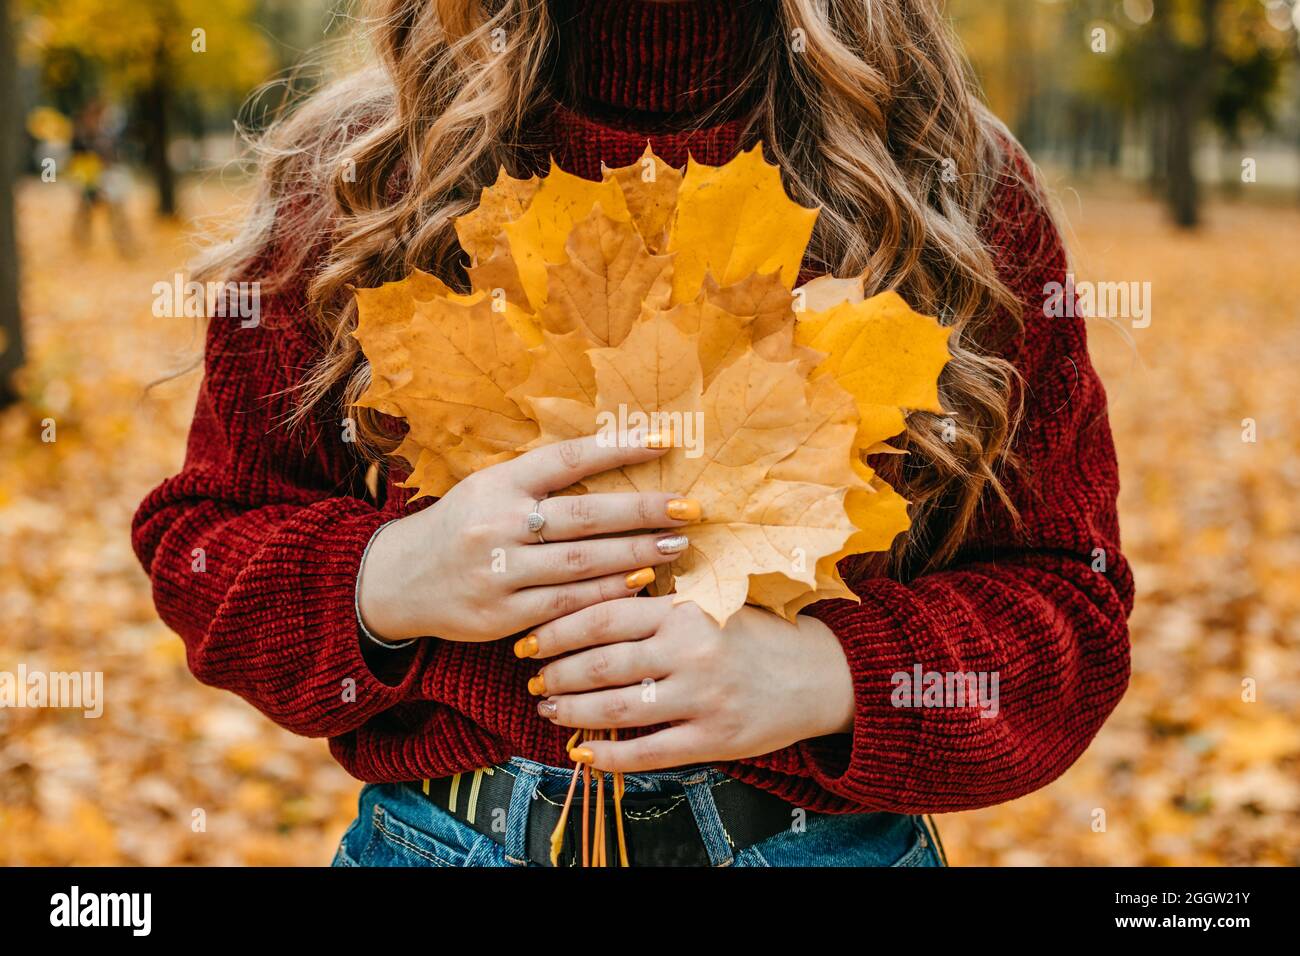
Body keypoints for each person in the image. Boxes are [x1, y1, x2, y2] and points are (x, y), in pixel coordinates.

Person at [132, 0, 1133, 867]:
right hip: (445, 833)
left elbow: (1069, 610)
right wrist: (395, 575)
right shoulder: (359, 175)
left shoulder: (941, 182)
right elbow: (205, 548)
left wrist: (825, 674)